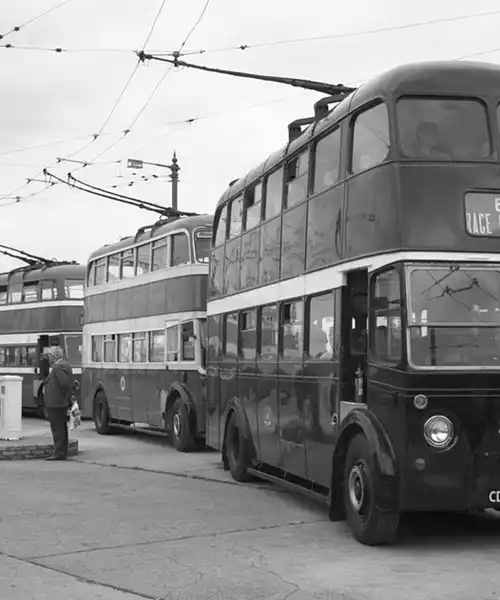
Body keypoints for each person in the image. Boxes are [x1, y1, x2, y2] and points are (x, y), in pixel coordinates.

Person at [43, 346, 74, 461]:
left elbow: (64, 384)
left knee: (57, 429)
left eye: (50, 356)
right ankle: (61, 451)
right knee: (61, 428)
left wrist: (68, 397)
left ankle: (59, 452)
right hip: (59, 402)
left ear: (54, 356)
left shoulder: (58, 367)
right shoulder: (64, 365)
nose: (49, 359)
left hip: (56, 403)